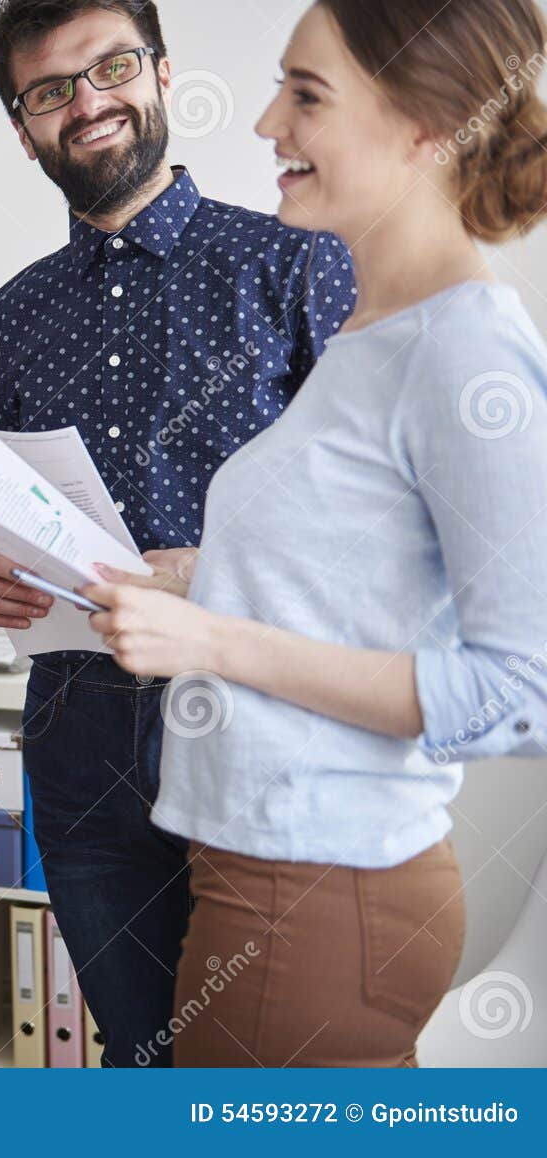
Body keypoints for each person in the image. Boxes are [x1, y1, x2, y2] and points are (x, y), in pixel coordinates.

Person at [84, 0, 547, 1067]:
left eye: (305, 94)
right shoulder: (372, 335)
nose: (262, 124)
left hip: (315, 895)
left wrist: (211, 643)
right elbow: (364, 568)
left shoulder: (466, 358)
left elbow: (522, 689)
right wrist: (204, 578)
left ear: (427, 126)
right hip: (277, 879)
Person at [0, 0, 355, 1065]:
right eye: (49, 90)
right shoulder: (10, 317)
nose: (86, 105)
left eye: (110, 67)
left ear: (161, 74)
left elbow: (384, 524)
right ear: (22, 125)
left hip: (262, 722)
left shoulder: (300, 262)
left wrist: (215, 573)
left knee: (284, 1064)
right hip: (81, 743)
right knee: (140, 1057)